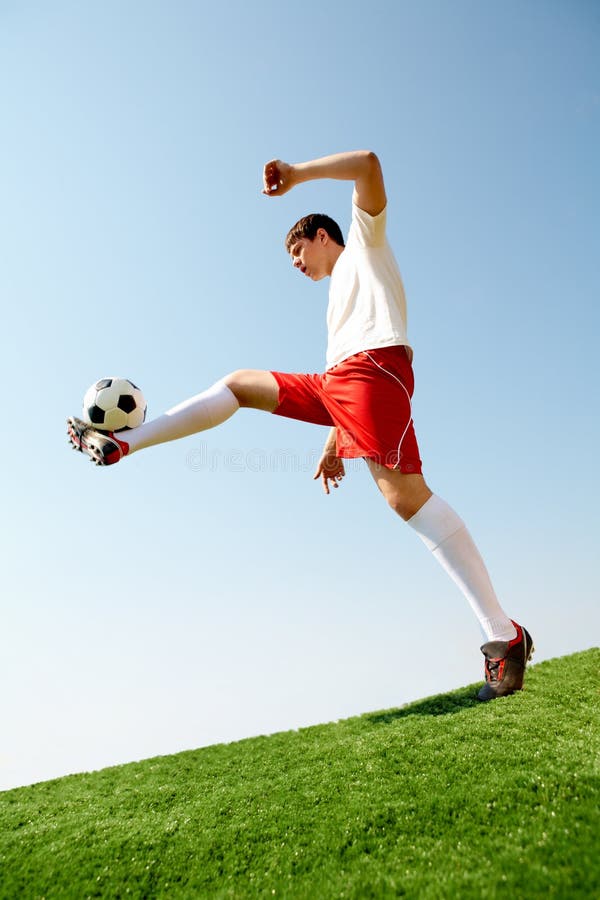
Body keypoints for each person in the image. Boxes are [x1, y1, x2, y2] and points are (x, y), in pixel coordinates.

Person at [67, 149, 533, 701]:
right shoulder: (337, 300)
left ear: (320, 234)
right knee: (240, 383)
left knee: (403, 497)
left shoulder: (366, 241)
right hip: (341, 380)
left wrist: (296, 176)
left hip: (374, 368)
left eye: (297, 249)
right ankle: (125, 444)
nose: (295, 263)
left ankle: (504, 636)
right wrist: (333, 436)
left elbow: (369, 164)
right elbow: (342, 370)